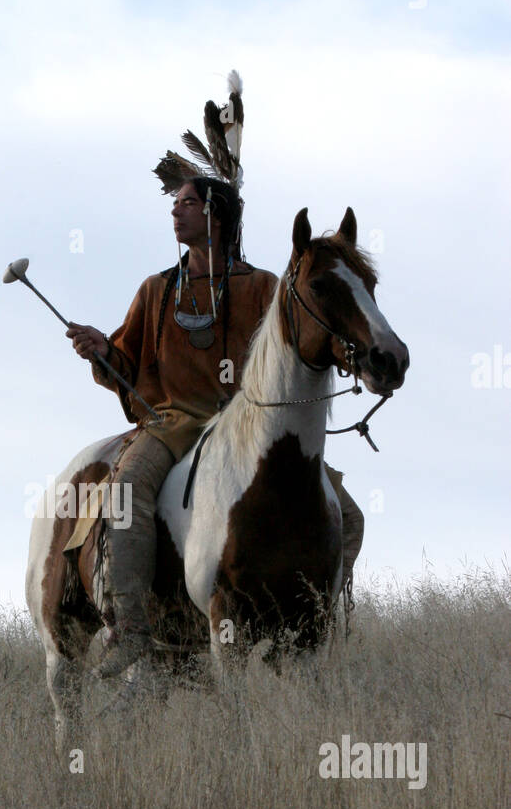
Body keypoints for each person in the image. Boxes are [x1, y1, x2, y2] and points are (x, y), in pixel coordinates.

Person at [66, 81, 364, 678]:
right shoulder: (156, 290)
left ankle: (315, 623)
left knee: (350, 516)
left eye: (185, 201)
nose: (174, 209)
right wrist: (102, 351)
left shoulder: (261, 288)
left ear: (214, 213)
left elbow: (298, 342)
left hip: (248, 427)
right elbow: (127, 364)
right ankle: (130, 634)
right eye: (173, 202)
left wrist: (348, 351)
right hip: (173, 424)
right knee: (123, 496)